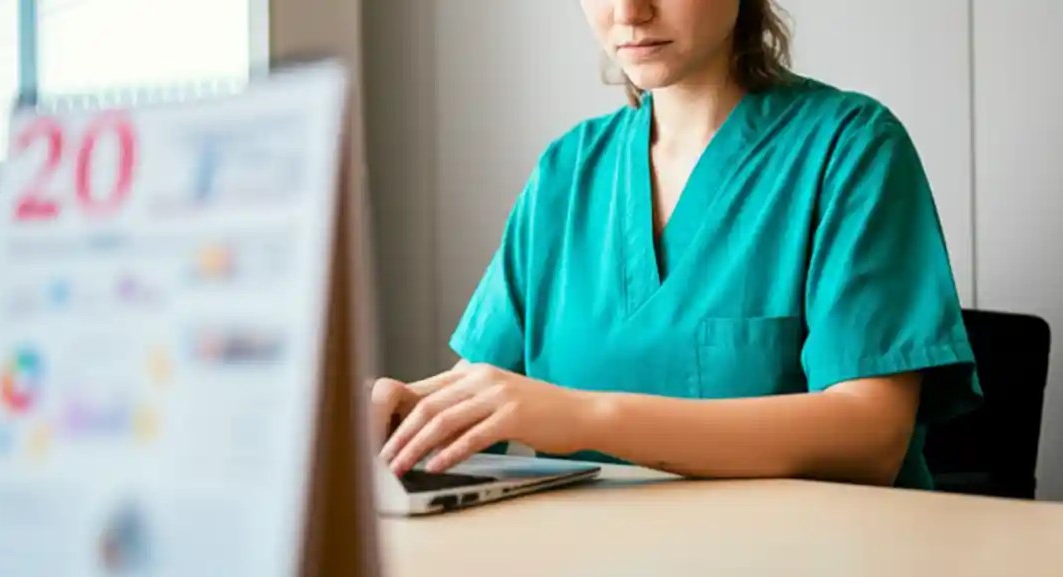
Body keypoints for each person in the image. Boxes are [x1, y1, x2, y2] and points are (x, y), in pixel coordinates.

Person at [373, 0, 981, 489]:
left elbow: (870, 436)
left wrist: (584, 415)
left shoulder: (850, 149)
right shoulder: (568, 171)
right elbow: (486, 390)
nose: (628, 11)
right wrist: (402, 412)